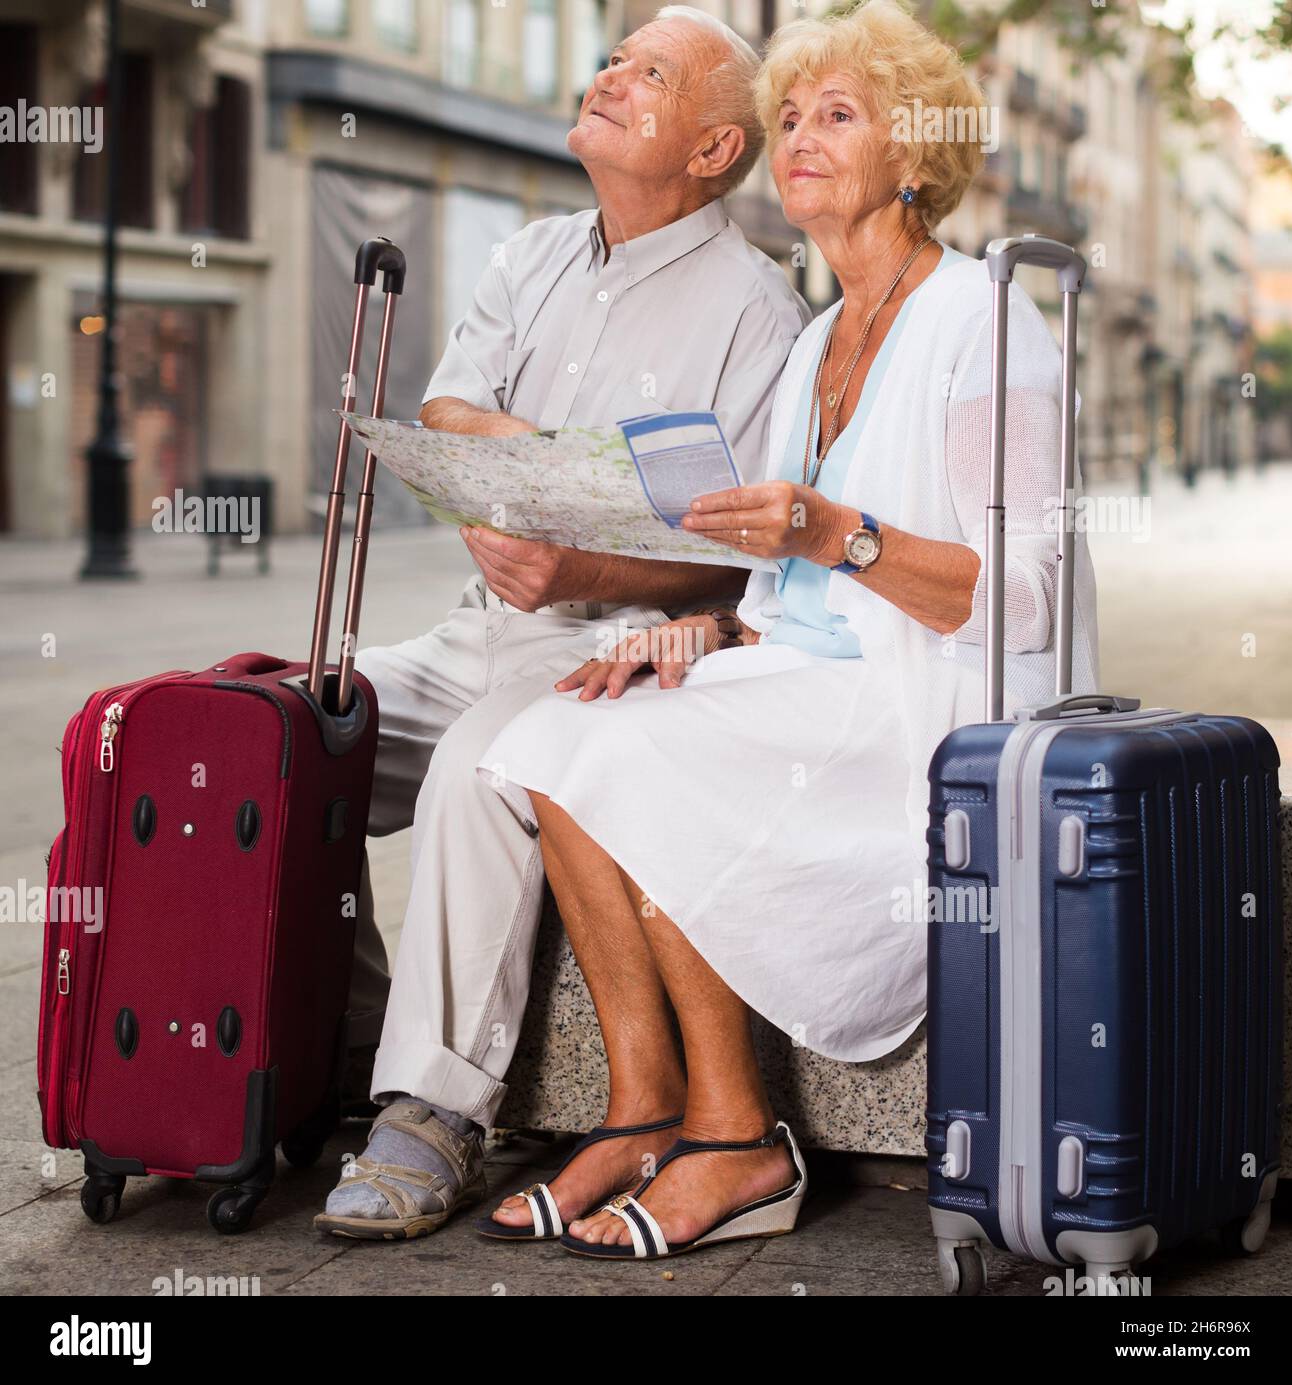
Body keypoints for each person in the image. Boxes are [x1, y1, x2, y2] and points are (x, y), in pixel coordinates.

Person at [473, 0, 1100, 1259]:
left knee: (644, 759)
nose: (801, 137)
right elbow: (781, 606)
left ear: (915, 158)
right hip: (822, 681)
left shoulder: (984, 319)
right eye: (791, 116)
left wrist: (836, 531)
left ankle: (743, 1139)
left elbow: (1019, 596)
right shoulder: (819, 333)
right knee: (559, 728)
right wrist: (691, 639)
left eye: (840, 114)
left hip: (937, 706)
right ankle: (646, 1109)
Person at [315, 6, 811, 1240]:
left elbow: (730, 546)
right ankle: (336, 1028)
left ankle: (430, 1109)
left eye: (650, 74)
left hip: (613, 648)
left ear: (711, 151)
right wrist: (574, 477)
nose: (609, 74)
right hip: (476, 617)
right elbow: (447, 409)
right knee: (291, 733)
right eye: (615, 56)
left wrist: (574, 534)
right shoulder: (528, 253)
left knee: (478, 778)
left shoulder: (760, 309)